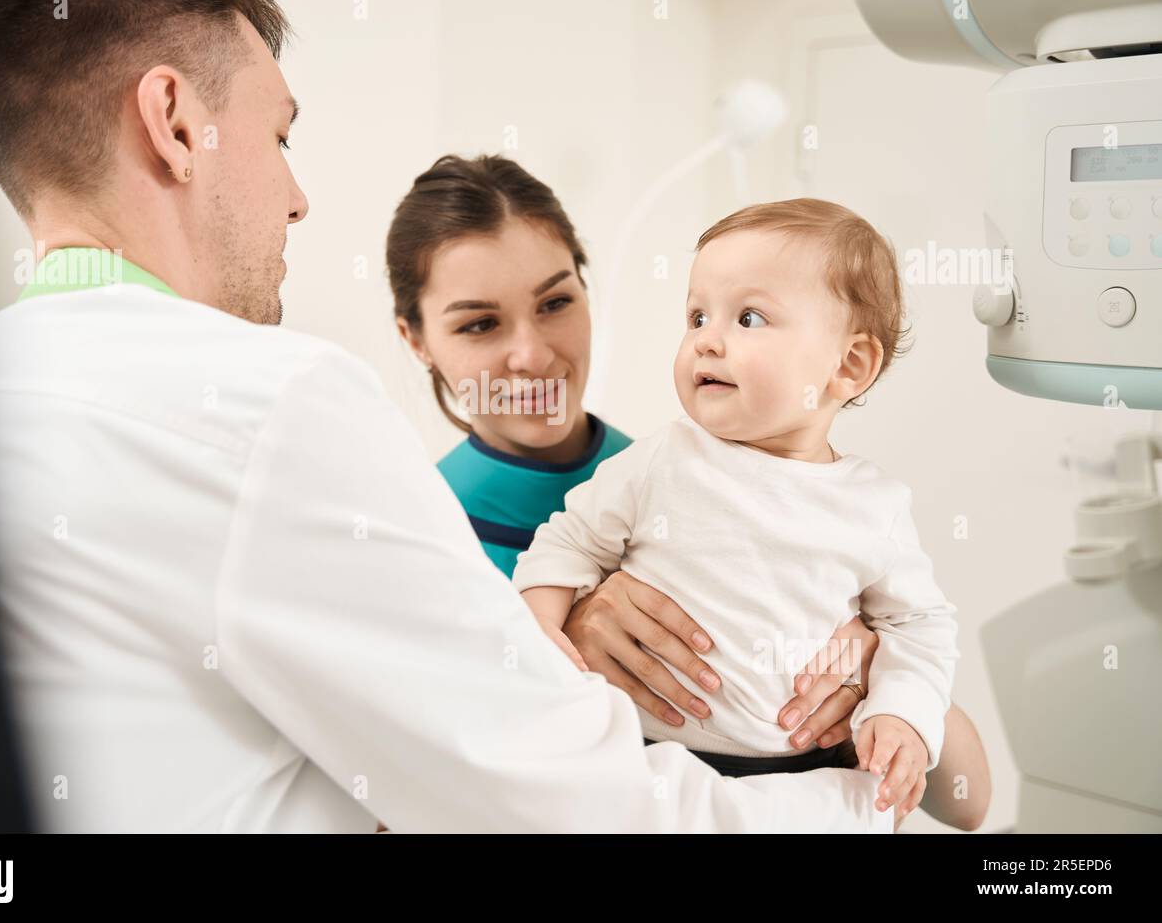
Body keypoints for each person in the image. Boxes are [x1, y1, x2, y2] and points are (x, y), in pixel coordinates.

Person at [0, 0, 889, 831]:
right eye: (279, 135)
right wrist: (866, 806)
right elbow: (565, 805)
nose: (299, 197)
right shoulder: (268, 408)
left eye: (557, 299)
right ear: (176, 123)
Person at [388, 159, 992, 829]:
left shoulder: (669, 474)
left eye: (555, 302)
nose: (530, 355)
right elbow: (409, 790)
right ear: (415, 339)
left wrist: (883, 680)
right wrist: (560, 636)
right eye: (479, 324)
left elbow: (967, 804)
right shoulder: (417, 536)